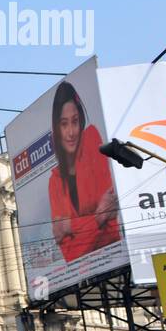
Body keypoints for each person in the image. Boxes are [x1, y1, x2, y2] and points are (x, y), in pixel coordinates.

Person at [47, 80, 120, 261]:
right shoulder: (54, 182)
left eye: (75, 121)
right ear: (56, 129)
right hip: (82, 274)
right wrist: (98, 218)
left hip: (115, 258)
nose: (71, 132)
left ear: (81, 121)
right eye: (64, 124)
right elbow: (69, 253)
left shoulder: (93, 141)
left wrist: (70, 226)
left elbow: (111, 228)